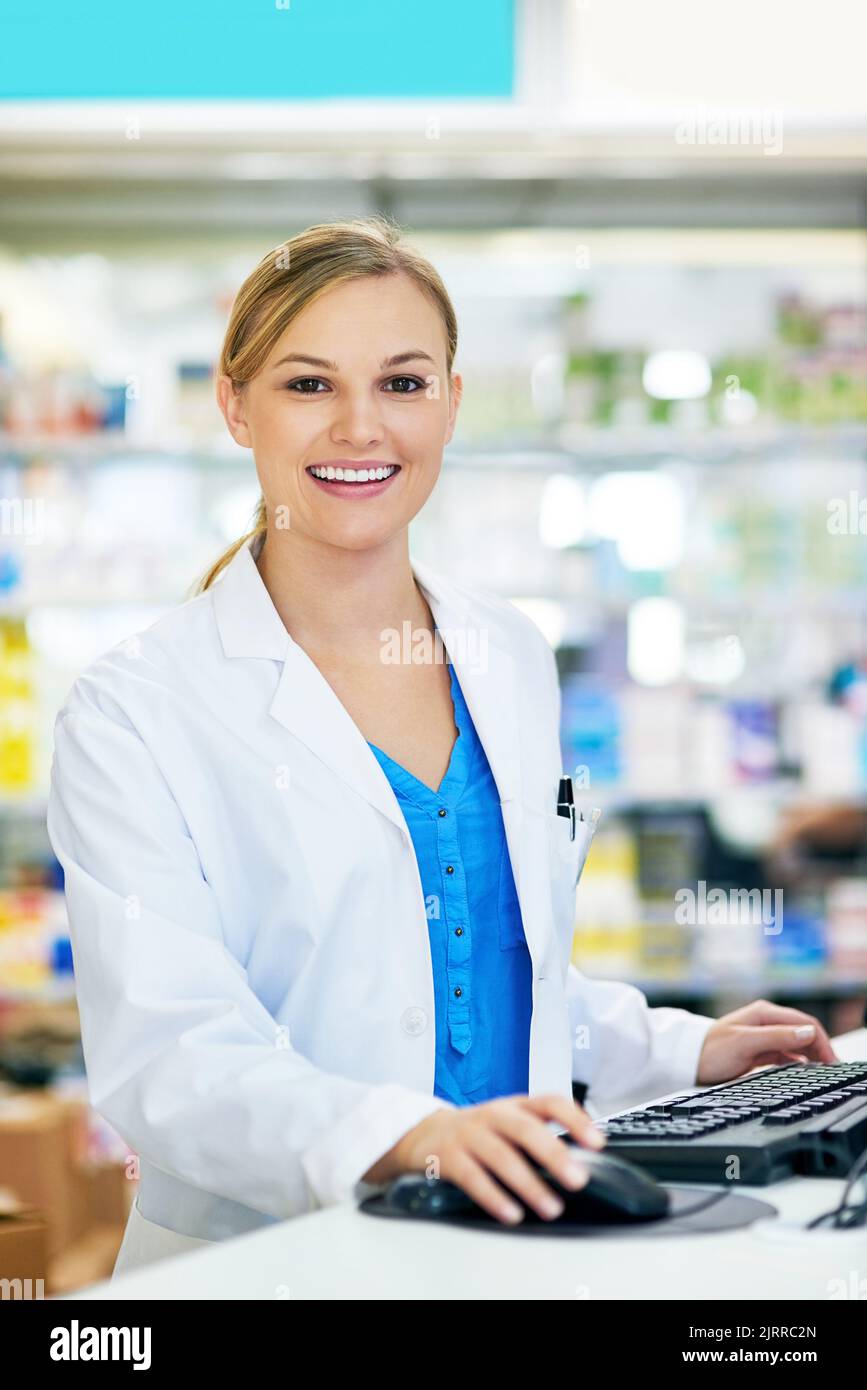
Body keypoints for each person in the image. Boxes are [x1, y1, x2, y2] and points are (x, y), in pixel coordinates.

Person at [46, 217, 837, 1275]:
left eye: (404, 383)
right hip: (270, 1266)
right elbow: (171, 1059)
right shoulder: (136, 710)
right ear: (236, 406)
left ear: (453, 403)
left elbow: (492, 974)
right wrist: (402, 1135)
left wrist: (684, 1048)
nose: (361, 427)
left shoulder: (504, 651)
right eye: (309, 384)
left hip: (512, 1246)